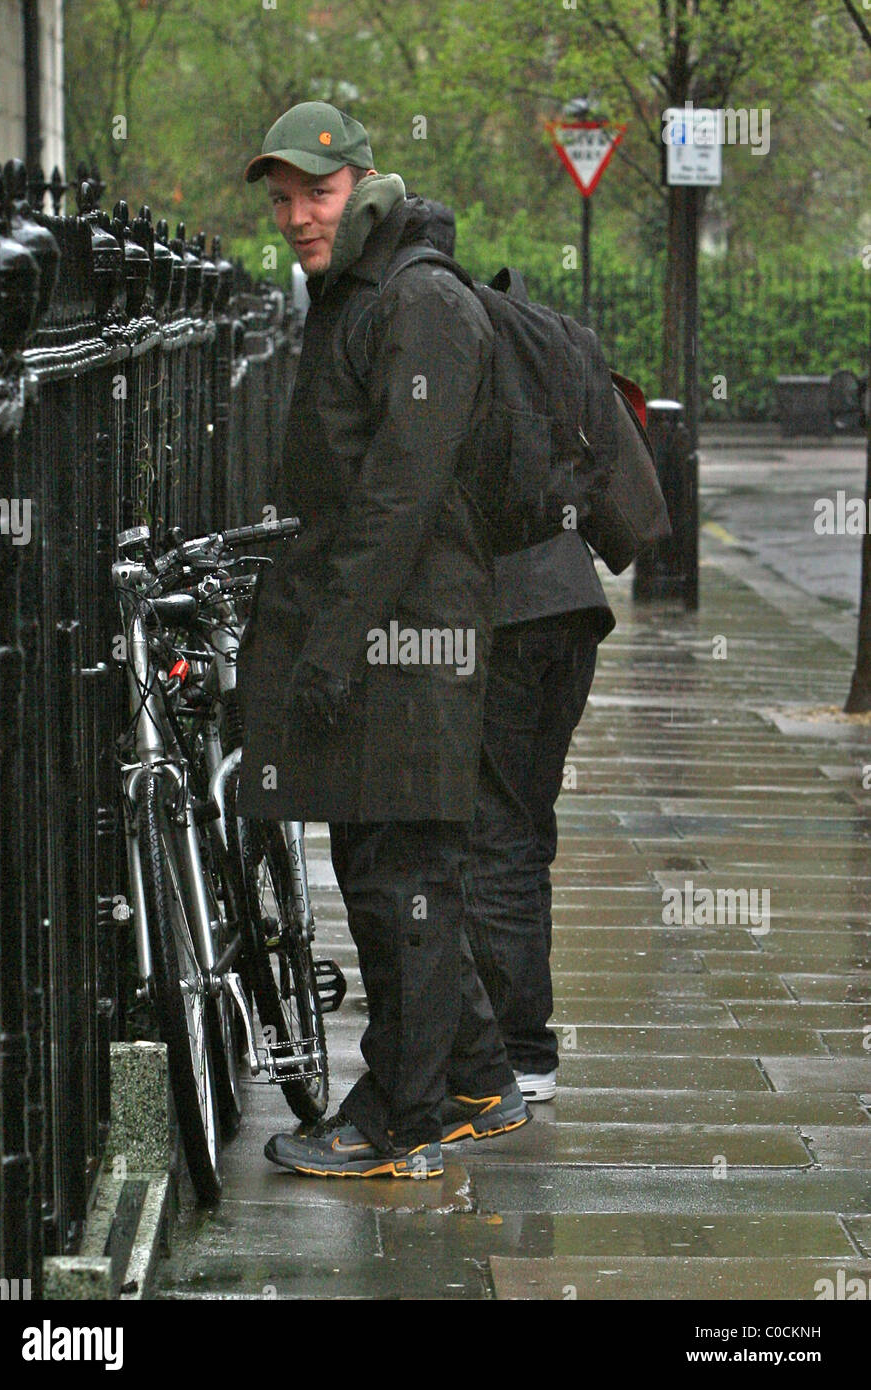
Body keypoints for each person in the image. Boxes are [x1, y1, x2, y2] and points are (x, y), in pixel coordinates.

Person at [237, 102, 531, 1178]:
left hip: (413, 637)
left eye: (313, 193)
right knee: (389, 859)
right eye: (280, 200)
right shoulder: (359, 293)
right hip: (384, 625)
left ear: (361, 182)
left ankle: (401, 1117)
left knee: (398, 873)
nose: (295, 216)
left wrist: (331, 644)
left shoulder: (419, 303)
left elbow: (397, 499)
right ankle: (475, 1076)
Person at [413, 200, 615, 1104]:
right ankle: (522, 1042)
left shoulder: (458, 341)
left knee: (493, 832)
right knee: (524, 830)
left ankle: (520, 1053)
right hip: (573, 606)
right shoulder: (553, 338)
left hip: (508, 613)